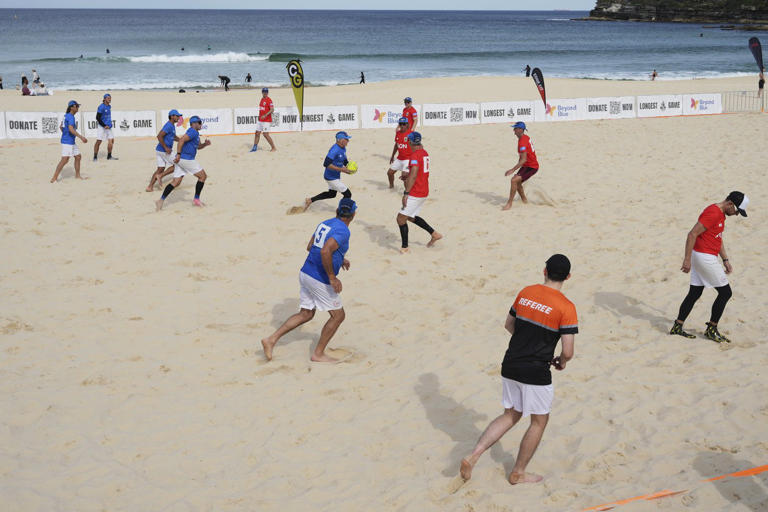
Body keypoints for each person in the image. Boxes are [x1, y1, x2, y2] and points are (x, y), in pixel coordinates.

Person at [460, 254, 578, 485]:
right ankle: (518, 472)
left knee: (511, 414)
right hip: (536, 370)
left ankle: (474, 455)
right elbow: (568, 350)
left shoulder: (526, 292)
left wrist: (525, 343)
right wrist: (561, 362)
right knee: (538, 422)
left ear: (544, 271)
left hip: (511, 363)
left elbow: (508, 324)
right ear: (568, 277)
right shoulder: (566, 307)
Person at [261, 198, 357, 363]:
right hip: (319, 278)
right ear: (353, 215)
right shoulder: (343, 231)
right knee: (338, 316)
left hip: (305, 272)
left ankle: (271, 340)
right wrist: (332, 277)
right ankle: (318, 354)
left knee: (306, 313)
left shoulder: (325, 223)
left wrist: (340, 259)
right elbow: (325, 251)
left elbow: (310, 247)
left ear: (337, 211)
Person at [670, 191, 749, 343]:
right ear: (730, 204)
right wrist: (686, 260)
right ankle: (711, 329)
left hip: (704, 256)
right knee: (725, 293)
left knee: (694, 293)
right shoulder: (713, 213)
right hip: (704, 257)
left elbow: (717, 237)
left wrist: (725, 259)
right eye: (737, 211)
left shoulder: (720, 214)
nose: (737, 214)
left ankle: (677, 326)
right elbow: (692, 234)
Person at [397, 131, 442, 253]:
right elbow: (416, 172)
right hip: (423, 190)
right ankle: (434, 234)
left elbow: (415, 173)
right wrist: (408, 175)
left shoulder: (414, 156)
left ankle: (405, 247)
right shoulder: (424, 153)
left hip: (416, 192)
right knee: (410, 217)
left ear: (410, 142)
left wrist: (406, 193)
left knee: (400, 219)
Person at [155, 115, 211, 211]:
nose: (201, 124)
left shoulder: (195, 133)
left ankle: (160, 200)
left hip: (183, 160)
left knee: (176, 182)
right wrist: (179, 154)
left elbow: (198, 147)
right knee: (203, 176)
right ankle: (196, 199)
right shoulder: (192, 131)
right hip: (186, 159)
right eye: (199, 122)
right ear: (194, 124)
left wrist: (205, 144)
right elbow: (181, 140)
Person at [304, 131, 355, 211]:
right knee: (348, 194)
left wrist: (348, 168)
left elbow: (344, 160)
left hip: (335, 176)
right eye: (346, 139)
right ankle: (342, 211)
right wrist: (342, 169)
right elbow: (326, 164)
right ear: (340, 140)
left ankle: (310, 200)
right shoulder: (334, 150)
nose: (348, 141)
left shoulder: (343, 148)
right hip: (331, 177)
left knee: (331, 194)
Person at [503, 122, 539, 210]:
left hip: (531, 167)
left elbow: (523, 159)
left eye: (515, 129)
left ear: (520, 130)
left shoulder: (522, 142)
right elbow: (523, 158)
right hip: (527, 165)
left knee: (514, 180)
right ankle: (524, 201)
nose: (513, 131)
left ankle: (509, 203)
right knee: (517, 182)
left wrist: (513, 169)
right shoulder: (525, 137)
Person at [50, 100, 88, 182]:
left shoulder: (66, 115)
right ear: (71, 107)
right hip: (67, 142)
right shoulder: (70, 117)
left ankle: (77, 176)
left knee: (78, 156)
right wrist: (81, 137)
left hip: (70, 141)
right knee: (65, 160)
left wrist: (65, 134)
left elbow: (61, 127)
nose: (78, 107)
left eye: (78, 106)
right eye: (76, 106)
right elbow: (70, 129)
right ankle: (54, 178)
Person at [146, 109, 182, 192]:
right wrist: (165, 147)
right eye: (177, 116)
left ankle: (150, 187)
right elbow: (159, 136)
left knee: (160, 169)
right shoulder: (169, 125)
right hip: (164, 150)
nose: (179, 118)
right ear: (172, 116)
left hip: (159, 150)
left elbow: (173, 137)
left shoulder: (172, 125)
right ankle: (160, 176)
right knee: (178, 164)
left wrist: (181, 140)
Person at [387, 116, 412, 189]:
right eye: (400, 124)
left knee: (404, 176)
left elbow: (416, 147)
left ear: (407, 124)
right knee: (389, 173)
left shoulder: (411, 134)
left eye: (404, 124)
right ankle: (391, 186)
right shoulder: (398, 133)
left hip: (408, 159)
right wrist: (392, 156)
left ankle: (407, 193)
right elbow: (396, 145)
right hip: (399, 158)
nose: (402, 126)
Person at [251, 87, 276, 152]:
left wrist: (265, 115)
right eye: (264, 92)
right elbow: (262, 109)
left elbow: (272, 109)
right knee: (257, 133)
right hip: (260, 120)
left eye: (266, 92)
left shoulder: (269, 100)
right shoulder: (262, 99)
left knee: (265, 134)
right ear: (262, 92)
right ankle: (254, 147)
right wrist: (260, 116)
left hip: (267, 120)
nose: (265, 93)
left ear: (267, 93)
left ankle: (273, 147)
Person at [93, 93, 116, 161]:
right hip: (102, 126)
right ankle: (95, 157)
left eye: (110, 98)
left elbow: (107, 117)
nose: (110, 99)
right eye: (108, 98)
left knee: (111, 140)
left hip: (109, 127)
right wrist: (104, 125)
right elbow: (97, 117)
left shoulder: (109, 106)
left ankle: (109, 156)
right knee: (99, 141)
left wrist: (109, 124)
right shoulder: (101, 107)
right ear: (104, 99)